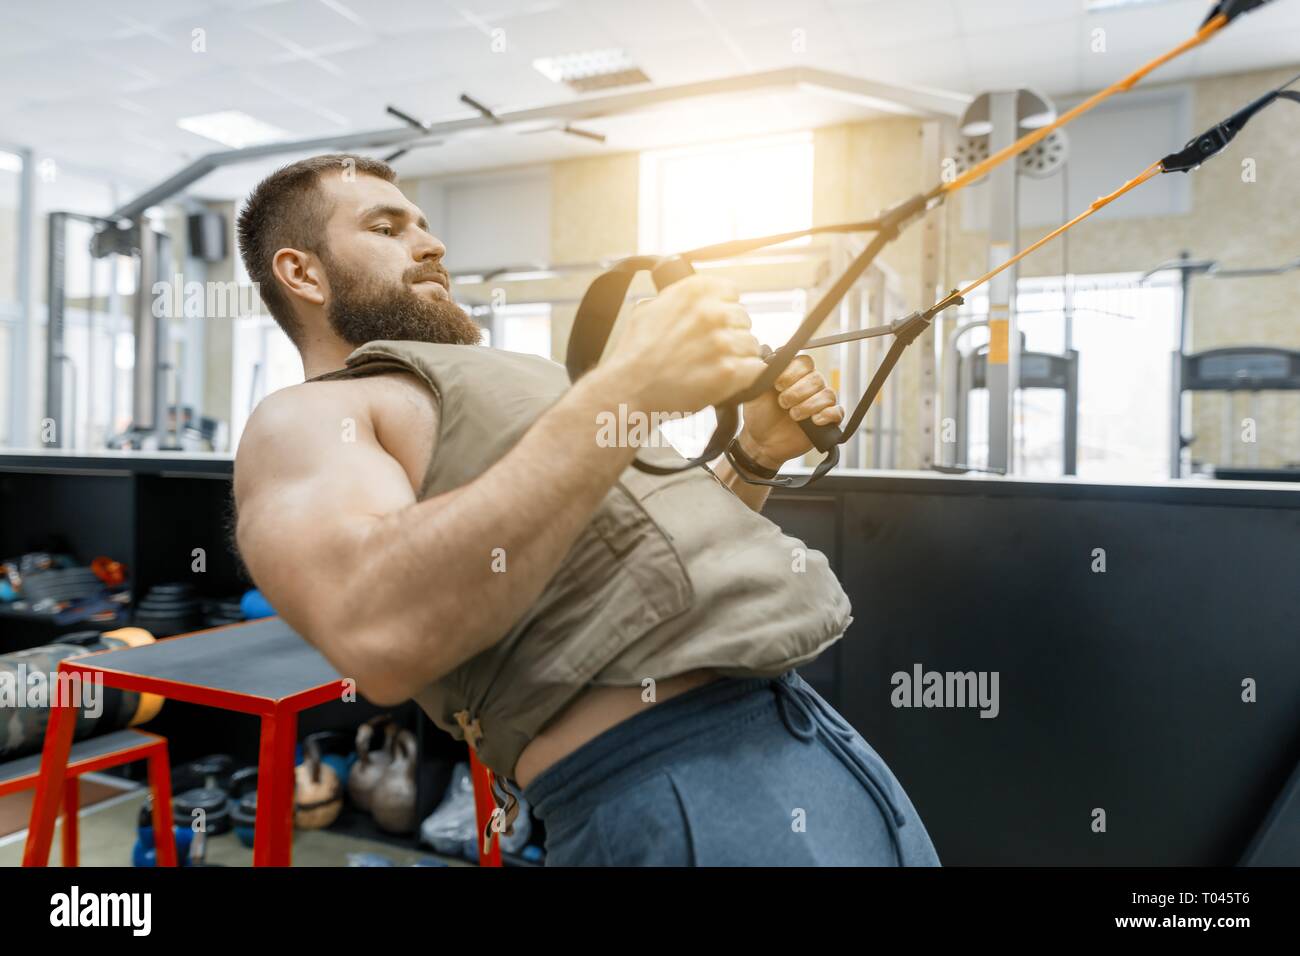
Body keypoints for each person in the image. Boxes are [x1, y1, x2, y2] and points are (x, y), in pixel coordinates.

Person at [232, 154, 939, 866]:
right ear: (303, 273)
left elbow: (644, 568)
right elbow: (372, 627)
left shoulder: (526, 384)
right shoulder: (309, 416)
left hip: (820, 742)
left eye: (424, 223)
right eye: (386, 227)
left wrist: (753, 454)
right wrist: (627, 389)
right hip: (665, 779)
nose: (432, 243)